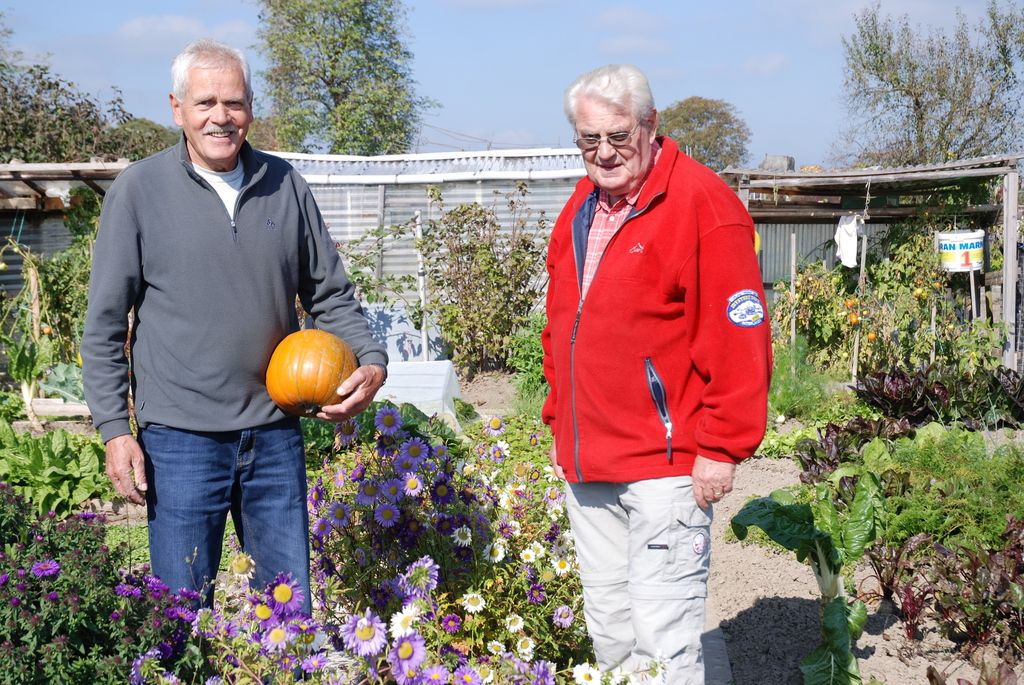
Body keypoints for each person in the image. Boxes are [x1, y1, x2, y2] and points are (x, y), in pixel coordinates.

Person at [82, 38, 387, 610]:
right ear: (177, 109)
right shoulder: (139, 191)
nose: (221, 117)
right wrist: (113, 429)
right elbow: (103, 324)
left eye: (235, 103)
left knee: (287, 610)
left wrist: (371, 361)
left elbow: (331, 295)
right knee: (179, 612)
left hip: (274, 430)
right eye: (205, 103)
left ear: (251, 109)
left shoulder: (285, 184)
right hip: (179, 438)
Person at [542, 64, 771, 683]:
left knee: (663, 640)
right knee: (611, 634)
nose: (605, 152)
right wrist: (559, 416)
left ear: (651, 125)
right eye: (590, 140)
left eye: (619, 135)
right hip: (591, 466)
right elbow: (561, 321)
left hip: (665, 470)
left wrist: (721, 447)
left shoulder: (702, 204)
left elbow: (739, 336)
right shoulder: (581, 209)